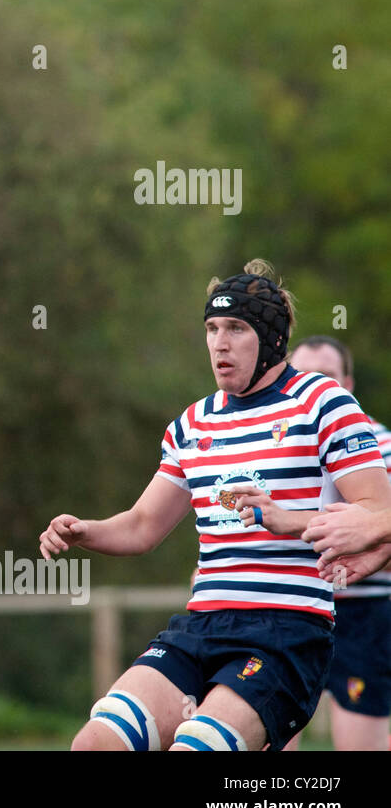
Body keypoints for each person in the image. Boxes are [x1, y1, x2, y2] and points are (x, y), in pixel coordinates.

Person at [41, 261, 391, 751]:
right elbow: (142, 527)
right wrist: (85, 531)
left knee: (198, 746)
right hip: (202, 624)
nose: (219, 342)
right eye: (211, 328)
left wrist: (291, 521)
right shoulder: (194, 423)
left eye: (236, 329)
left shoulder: (323, 402)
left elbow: (379, 516)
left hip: (285, 632)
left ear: (271, 339)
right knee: (93, 744)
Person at [282, 336, 391, 751]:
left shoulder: (381, 446)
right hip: (283, 609)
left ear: (347, 382)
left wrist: (361, 546)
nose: (313, 385)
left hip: (360, 615)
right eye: (303, 373)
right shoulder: (267, 443)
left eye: (325, 376)